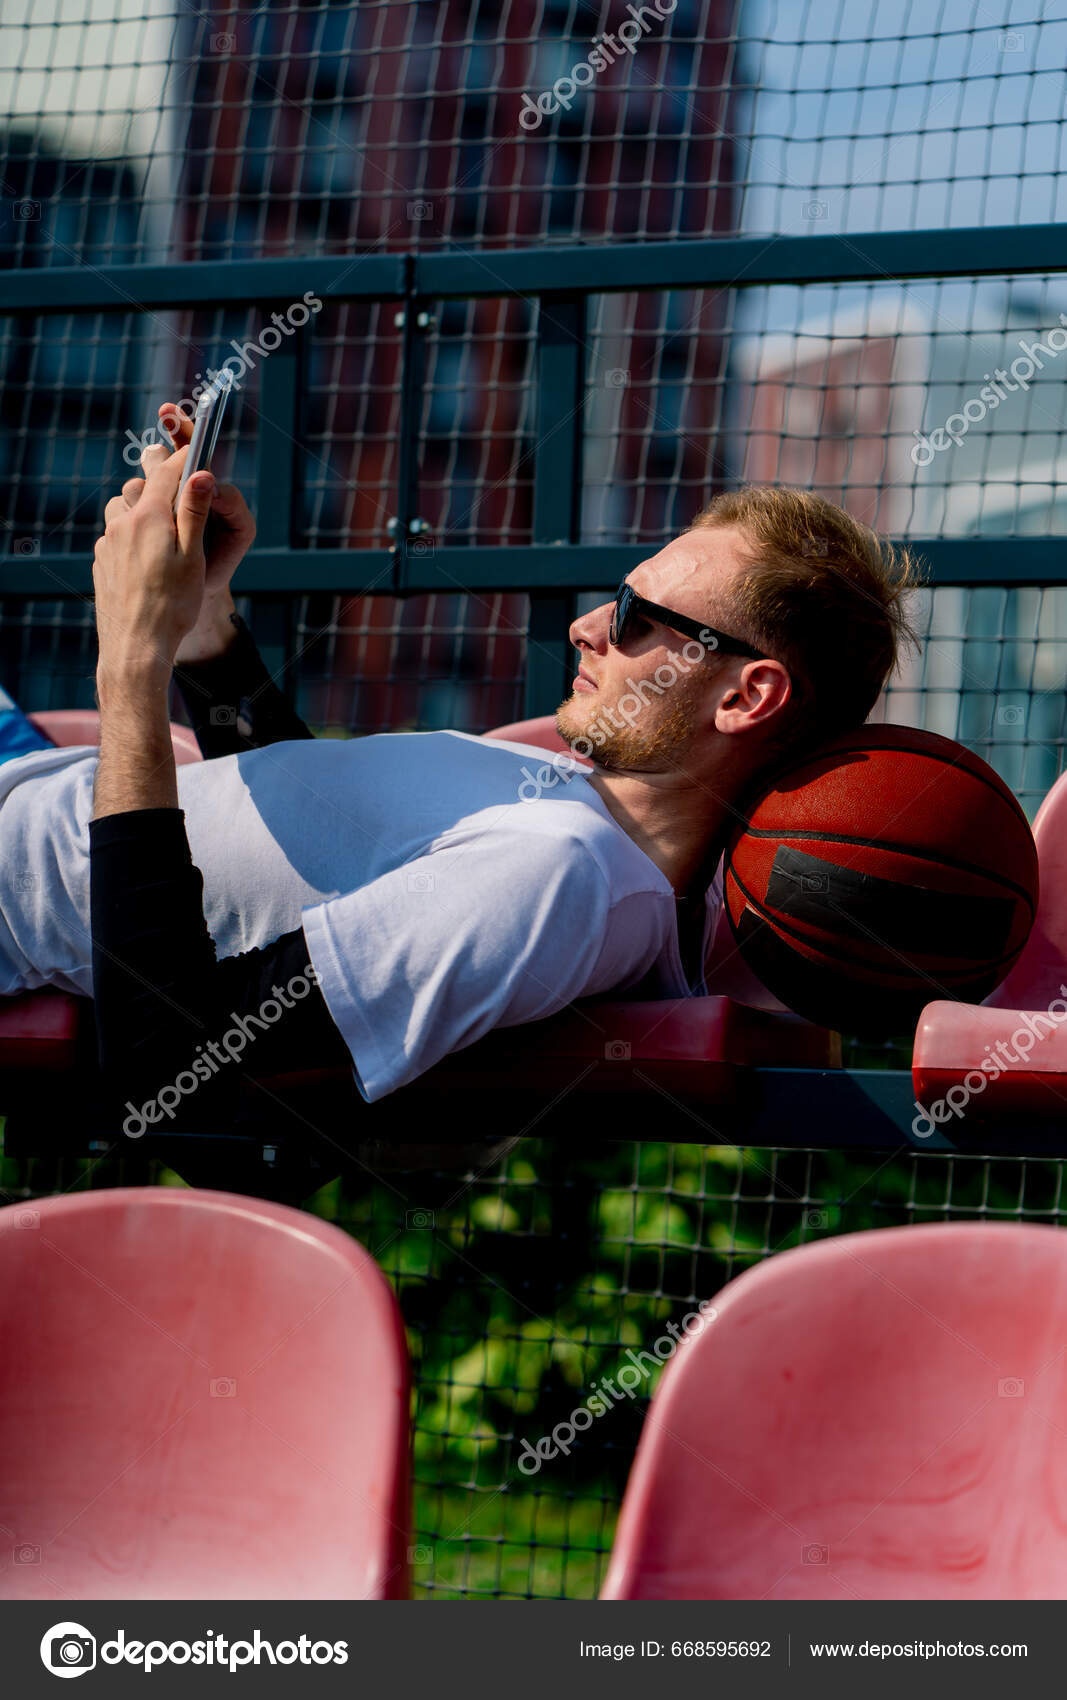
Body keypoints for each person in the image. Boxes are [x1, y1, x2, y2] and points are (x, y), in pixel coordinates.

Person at [0, 405, 918, 1137]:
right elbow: (295, 859)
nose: (586, 627)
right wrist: (204, 622)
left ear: (745, 697)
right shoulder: (576, 817)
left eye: (635, 616)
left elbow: (168, 1062)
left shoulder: (560, 879)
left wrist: (132, 656)